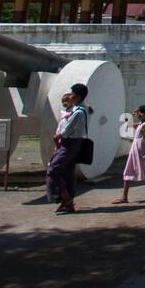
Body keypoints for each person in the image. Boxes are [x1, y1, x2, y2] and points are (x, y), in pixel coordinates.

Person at [46, 83, 90, 214]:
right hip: (74, 143)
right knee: (68, 172)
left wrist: (58, 135)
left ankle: (65, 198)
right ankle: (68, 203)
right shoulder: (77, 109)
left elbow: (66, 131)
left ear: (77, 96)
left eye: (72, 94)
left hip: (70, 143)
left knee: (53, 169)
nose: (69, 96)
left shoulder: (78, 113)